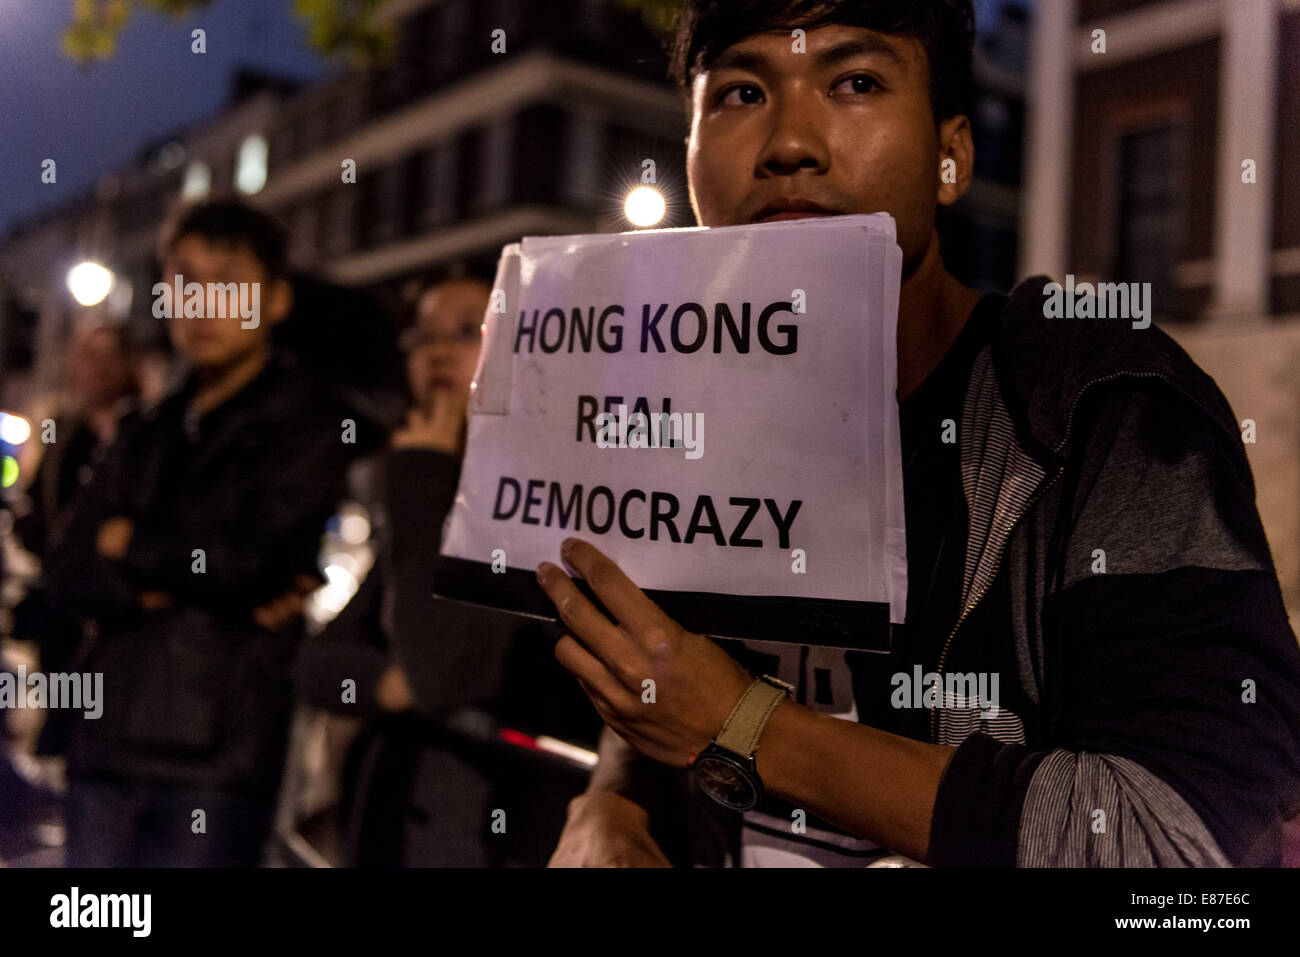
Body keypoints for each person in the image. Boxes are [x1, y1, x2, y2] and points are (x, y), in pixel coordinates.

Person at [537, 0, 1300, 867]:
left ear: (953, 156)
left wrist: (747, 726)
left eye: (855, 82)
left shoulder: (1101, 407)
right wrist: (611, 798)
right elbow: (663, 674)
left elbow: (1194, 844)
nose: (791, 143)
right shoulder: (686, 416)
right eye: (741, 93)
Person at [45, 199, 364, 867]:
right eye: (184, 278)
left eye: (228, 278)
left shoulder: (307, 424)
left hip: (216, 759)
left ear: (276, 299)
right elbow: (68, 569)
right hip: (102, 742)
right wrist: (164, 581)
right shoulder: (146, 429)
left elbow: (249, 562)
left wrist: (128, 545)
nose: (202, 301)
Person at [293, 273, 602, 866]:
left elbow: (438, 671)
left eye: (467, 331)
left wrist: (421, 480)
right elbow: (318, 664)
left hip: (496, 831)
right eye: (422, 336)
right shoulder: (435, 488)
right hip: (391, 818)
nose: (437, 352)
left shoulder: (548, 499)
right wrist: (390, 684)